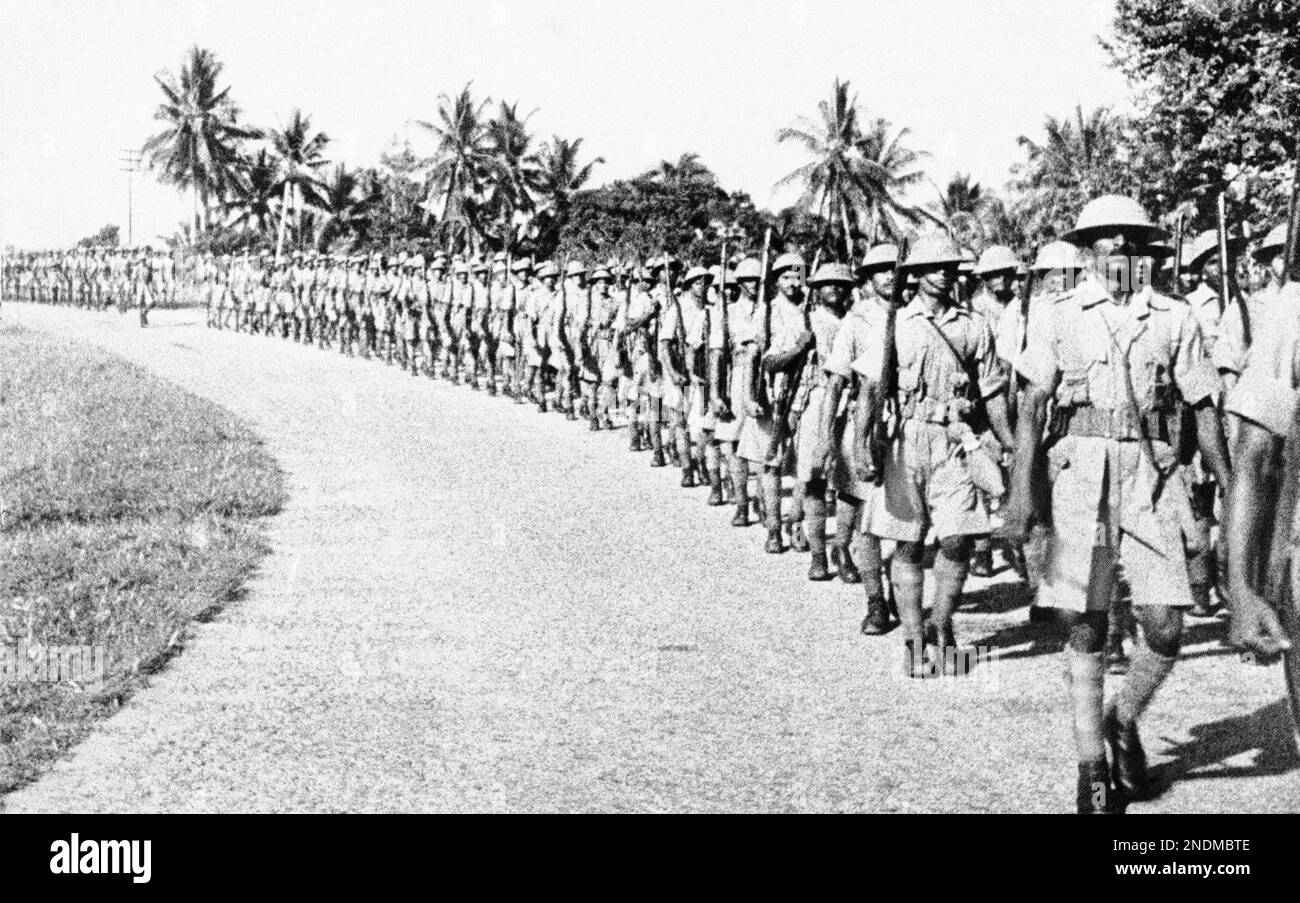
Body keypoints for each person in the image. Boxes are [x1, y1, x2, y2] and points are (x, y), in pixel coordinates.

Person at [1003, 195, 1231, 813]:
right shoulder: (1057, 315)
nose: (1122, 252)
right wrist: (1021, 488)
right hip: (1079, 471)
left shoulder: (1173, 316)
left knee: (1165, 623)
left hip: (1152, 475)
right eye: (1108, 242)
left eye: (1133, 242)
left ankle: (1122, 718)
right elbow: (1028, 407)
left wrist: (1231, 494)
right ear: (1085, 252)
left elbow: (1204, 410)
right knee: (1086, 621)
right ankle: (1092, 768)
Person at [853, 232, 1012, 677]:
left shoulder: (973, 325)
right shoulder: (896, 323)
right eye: (934, 267)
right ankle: (913, 638)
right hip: (908, 437)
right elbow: (870, 389)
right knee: (907, 542)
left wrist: (1009, 442)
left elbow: (993, 391)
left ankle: (942, 624)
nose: (944, 274)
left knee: (958, 539)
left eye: (950, 267)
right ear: (917, 274)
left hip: (956, 437)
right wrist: (862, 443)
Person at [827, 244, 899, 630]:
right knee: (868, 521)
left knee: (910, 522)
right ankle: (875, 600)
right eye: (881, 271)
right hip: (866, 425)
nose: (889, 276)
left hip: (908, 424)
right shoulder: (855, 322)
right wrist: (831, 440)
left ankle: (901, 593)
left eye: (895, 269)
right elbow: (838, 381)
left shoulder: (913, 315)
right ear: (869, 279)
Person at [737, 252, 812, 554]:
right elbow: (756, 360)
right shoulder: (767, 312)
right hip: (775, 395)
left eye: (798, 276)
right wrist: (749, 397)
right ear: (777, 281)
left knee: (807, 468)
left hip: (809, 394)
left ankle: (797, 522)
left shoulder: (812, 309)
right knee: (771, 465)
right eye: (786, 277)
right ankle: (772, 529)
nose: (793, 283)